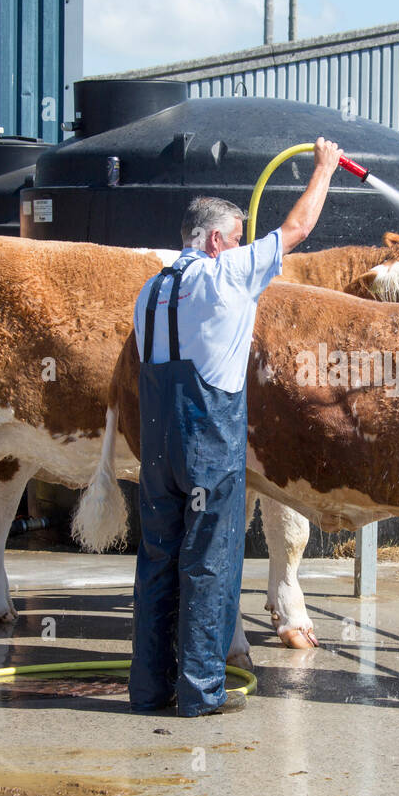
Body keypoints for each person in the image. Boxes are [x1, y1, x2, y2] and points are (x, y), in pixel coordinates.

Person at [129, 136, 343, 716]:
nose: (246, 248)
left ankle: (148, 690)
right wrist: (323, 167)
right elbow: (296, 229)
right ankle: (200, 693)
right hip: (208, 447)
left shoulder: (148, 291)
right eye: (239, 240)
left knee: (156, 564)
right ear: (218, 241)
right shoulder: (225, 276)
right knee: (208, 563)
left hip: (156, 451)